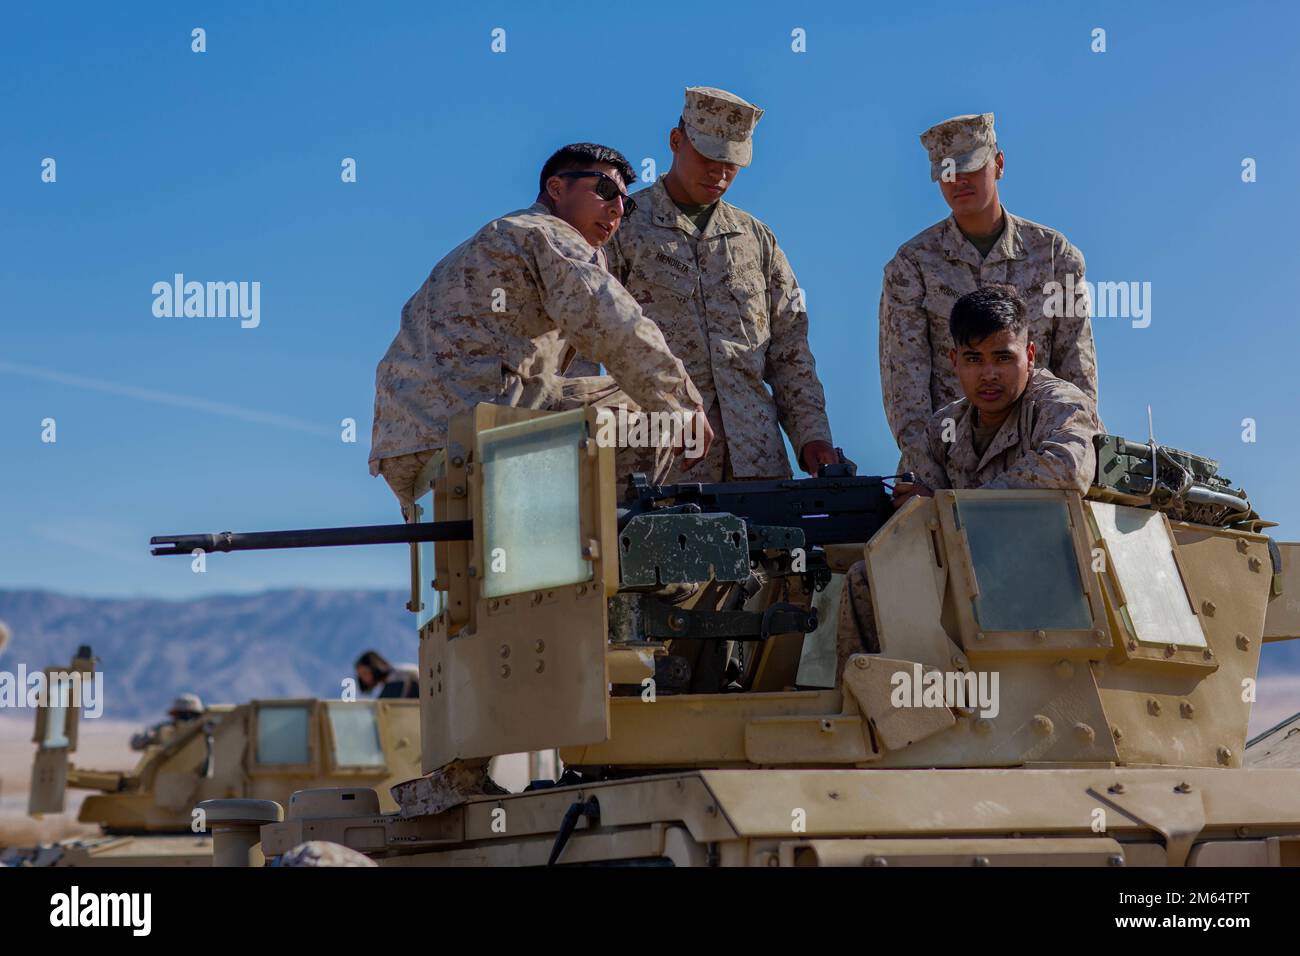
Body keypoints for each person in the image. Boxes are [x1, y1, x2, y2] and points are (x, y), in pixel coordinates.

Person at [370, 142, 713, 510]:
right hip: (471, 422)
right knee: (650, 417)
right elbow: (615, 322)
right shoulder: (546, 233)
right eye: (604, 190)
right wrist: (683, 406)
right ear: (556, 188)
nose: (616, 208)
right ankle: (604, 550)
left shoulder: (499, 234)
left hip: (413, 439)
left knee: (617, 396)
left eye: (625, 204)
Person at [838, 285, 1099, 677]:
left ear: (1029, 356)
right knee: (868, 577)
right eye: (974, 359)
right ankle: (874, 707)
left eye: (1002, 357)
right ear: (954, 361)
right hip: (968, 570)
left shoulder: (1059, 404)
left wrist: (950, 505)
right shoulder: (943, 428)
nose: (988, 374)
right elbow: (913, 511)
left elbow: (1066, 471)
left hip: (1052, 572)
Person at [602, 86, 836, 483]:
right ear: (676, 141)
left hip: (757, 464)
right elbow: (589, 343)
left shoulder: (756, 239)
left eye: (732, 162)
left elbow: (790, 351)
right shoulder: (620, 227)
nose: (719, 172)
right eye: (708, 156)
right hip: (660, 463)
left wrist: (812, 437)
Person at [880, 112, 1098, 475]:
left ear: (998, 164)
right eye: (948, 171)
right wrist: (930, 478)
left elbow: (1077, 372)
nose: (958, 181)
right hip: (954, 463)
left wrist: (1074, 451)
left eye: (971, 167)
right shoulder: (912, 265)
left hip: (1041, 458)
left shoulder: (1056, 256)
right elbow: (905, 387)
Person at [130, 693, 204, 751]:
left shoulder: (205, 729)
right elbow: (135, 743)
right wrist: (150, 738)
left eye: (192, 715)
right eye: (182, 715)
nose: (187, 719)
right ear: (175, 715)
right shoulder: (164, 730)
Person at [354, 650, 418, 699]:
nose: (364, 679)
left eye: (365, 673)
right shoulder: (387, 684)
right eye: (361, 676)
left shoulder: (399, 677)